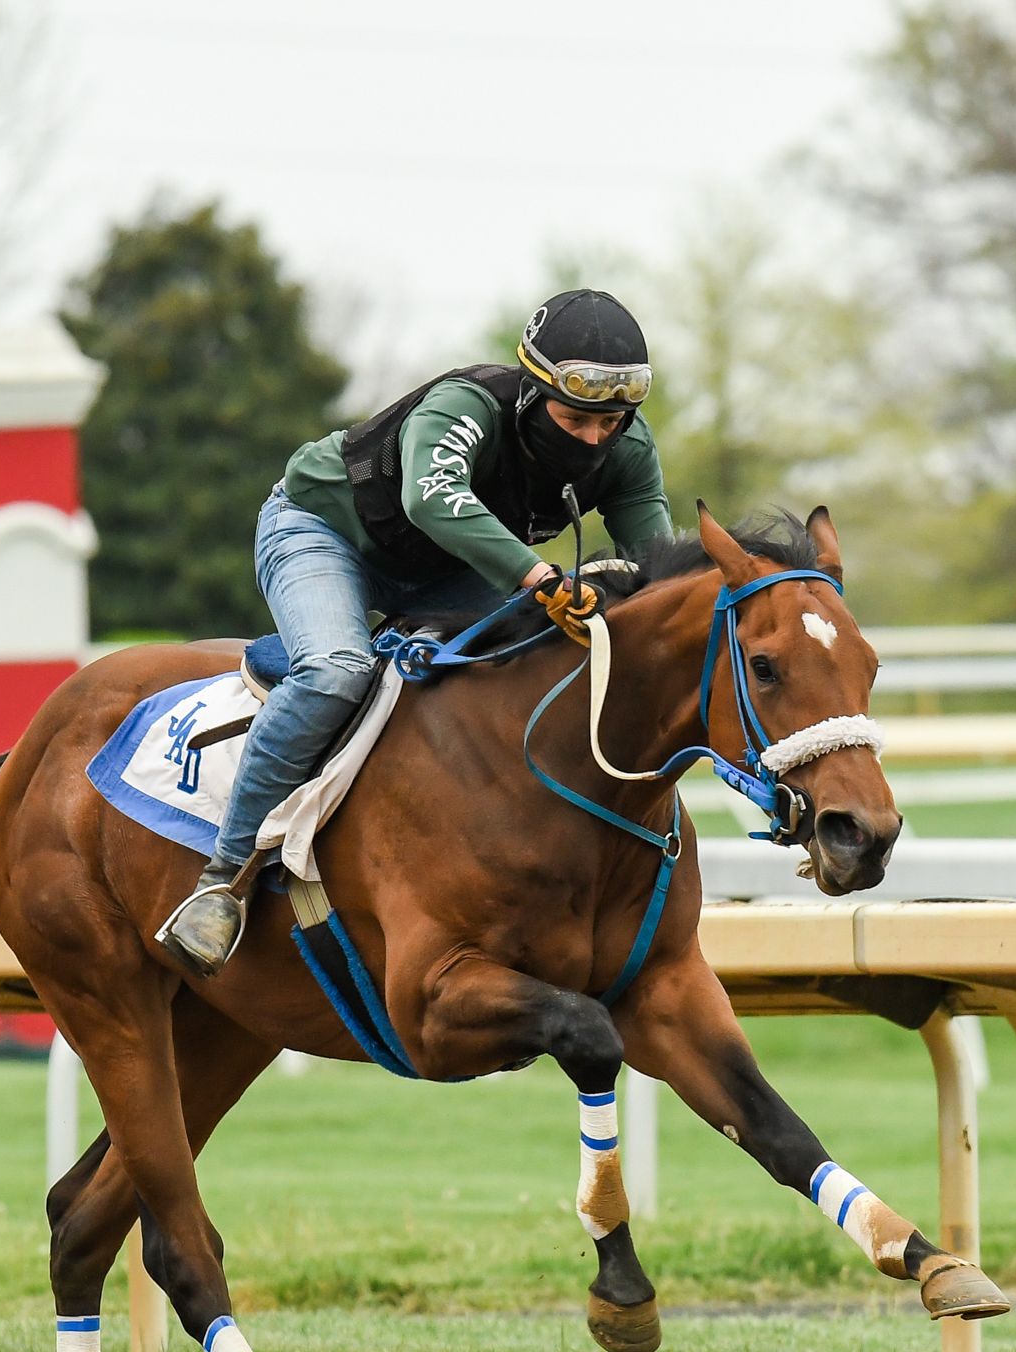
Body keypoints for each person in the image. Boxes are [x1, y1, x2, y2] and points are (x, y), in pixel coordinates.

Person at [157, 288, 674, 975]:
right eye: (576, 417)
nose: (594, 438)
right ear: (532, 389)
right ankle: (222, 880)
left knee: (532, 662)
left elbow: (659, 569)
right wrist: (539, 577)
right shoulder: (467, 406)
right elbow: (430, 497)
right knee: (338, 669)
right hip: (324, 532)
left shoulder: (627, 450)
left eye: (611, 423)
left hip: (443, 570)